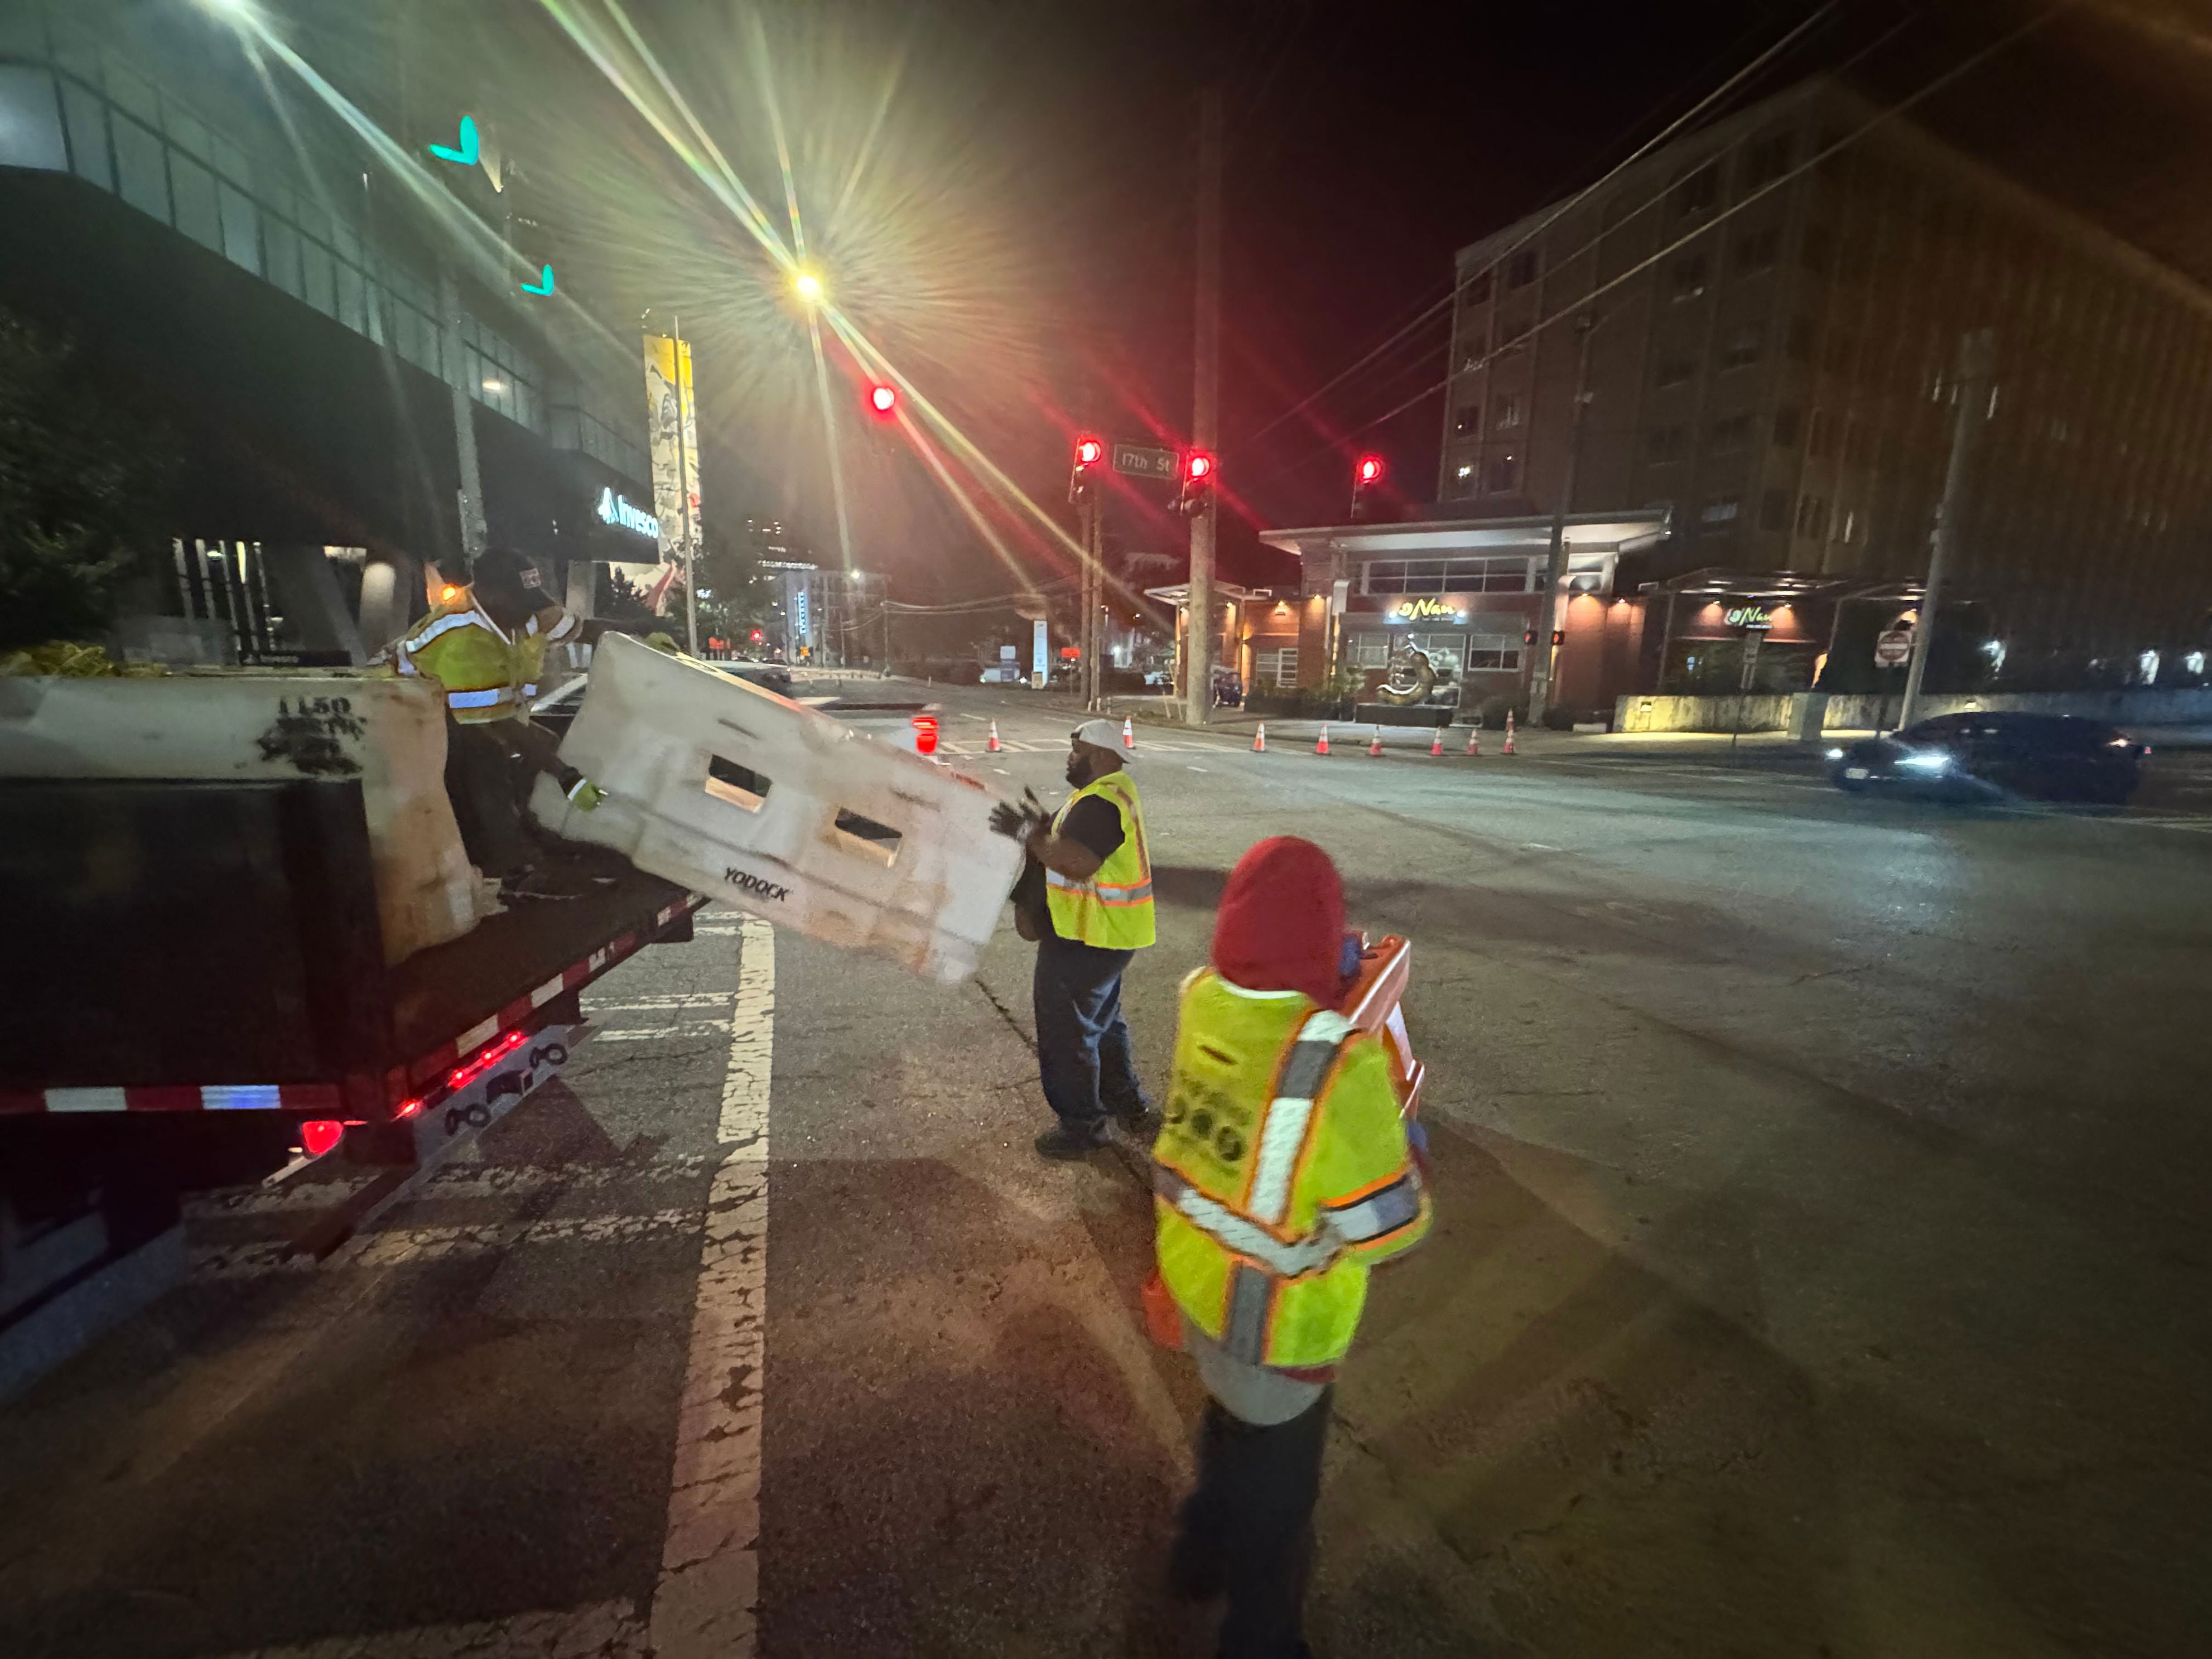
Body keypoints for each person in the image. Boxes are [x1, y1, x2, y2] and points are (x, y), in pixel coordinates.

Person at [1150, 836, 1433, 1659]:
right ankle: (1260, 1639)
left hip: (1199, 1285)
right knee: (1277, 1517)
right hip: (1281, 1334)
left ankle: (1196, 1552)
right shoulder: (1336, 1060)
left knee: (1224, 1429)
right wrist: (1405, 1138)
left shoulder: (1203, 997)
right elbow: (1389, 1227)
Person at [386, 547, 606, 888]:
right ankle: (508, 858)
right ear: (485, 592)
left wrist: (638, 630)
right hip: (397, 718)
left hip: (451, 714)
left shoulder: (521, 613)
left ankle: (525, 826)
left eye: (531, 599)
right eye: (518, 600)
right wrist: (568, 778)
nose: (528, 611)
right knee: (484, 755)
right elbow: (492, 724)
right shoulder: (463, 635)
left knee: (542, 742)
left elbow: (579, 630)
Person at [989, 718, 1155, 1160]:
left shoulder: (1101, 802)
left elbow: (1077, 861)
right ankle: (1126, 1102)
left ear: (1100, 754)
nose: (1069, 757)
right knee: (1102, 1024)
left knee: (1067, 1036)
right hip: (1105, 935)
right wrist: (1043, 827)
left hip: (1087, 938)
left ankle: (1083, 1127)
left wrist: (1029, 835)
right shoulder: (1103, 794)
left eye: (1076, 750)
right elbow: (1069, 846)